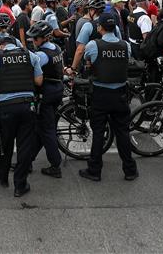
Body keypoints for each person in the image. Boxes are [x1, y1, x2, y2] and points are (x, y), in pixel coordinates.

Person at [71, 12, 139, 183]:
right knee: (122, 132)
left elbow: (87, 61)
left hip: (100, 94)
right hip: (121, 94)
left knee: (99, 133)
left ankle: (95, 170)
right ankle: (129, 169)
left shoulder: (94, 45)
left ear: (99, 27)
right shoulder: (125, 45)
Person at [0, 34, 43, 197]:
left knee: (6, 144)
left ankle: (2, 177)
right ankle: (20, 186)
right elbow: (38, 81)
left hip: (6, 108)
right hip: (27, 105)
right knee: (24, 146)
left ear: (1, 46)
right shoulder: (30, 55)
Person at [27, 21, 64, 178]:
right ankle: (27, 161)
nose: (33, 42)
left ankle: (55, 165)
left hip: (46, 94)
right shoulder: (56, 48)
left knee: (47, 131)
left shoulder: (41, 55)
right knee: (40, 129)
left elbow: (31, 73)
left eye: (35, 39)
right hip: (57, 90)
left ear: (43, 38)